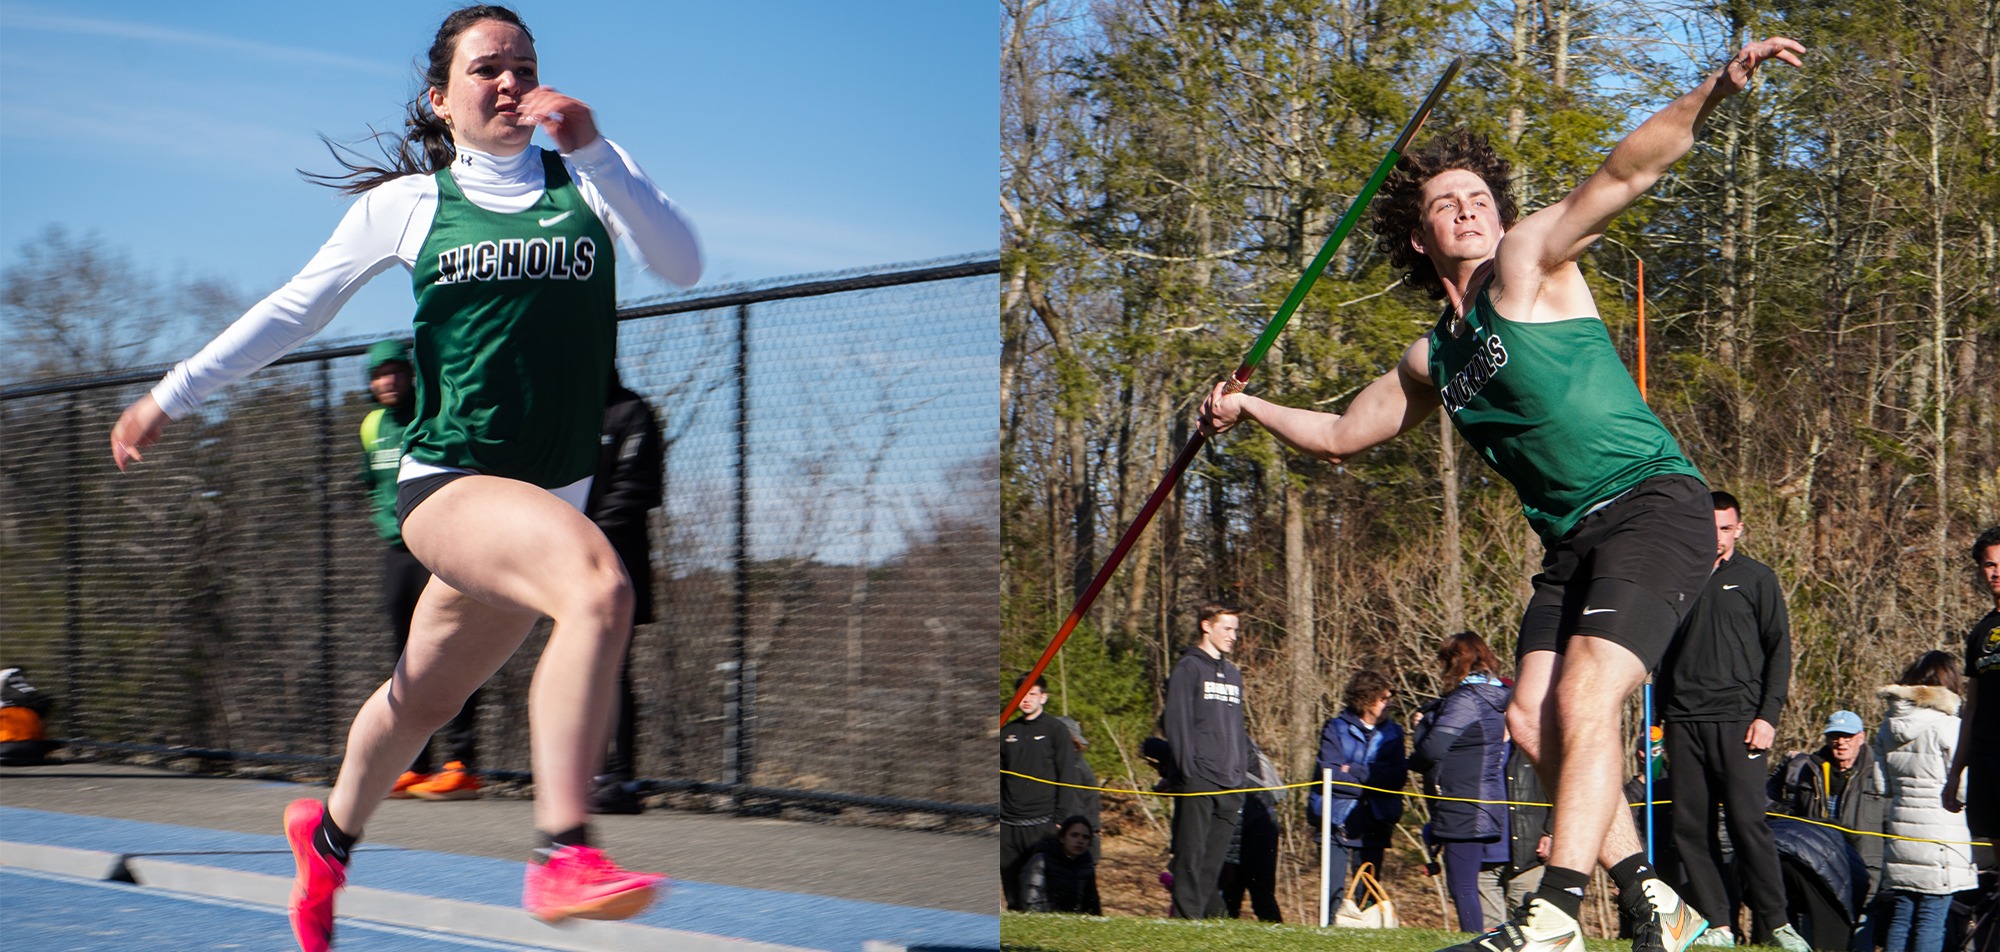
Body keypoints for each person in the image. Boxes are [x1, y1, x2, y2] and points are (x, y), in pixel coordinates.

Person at [106, 7, 702, 949]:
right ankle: (562, 853)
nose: (510, 82)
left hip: (549, 500)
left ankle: (328, 838)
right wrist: (169, 396)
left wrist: (597, 155)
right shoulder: (412, 204)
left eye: (525, 66)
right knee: (598, 590)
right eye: (486, 69)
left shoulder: (587, 180)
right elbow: (293, 308)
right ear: (442, 98)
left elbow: (682, 262)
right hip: (450, 484)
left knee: (422, 699)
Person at [1200, 36, 1806, 952]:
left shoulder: (1530, 263)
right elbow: (1335, 438)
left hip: (1650, 502)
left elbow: (1623, 173)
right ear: (1420, 235)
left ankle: (1557, 915)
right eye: (1447, 204)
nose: (1470, 210)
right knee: (1530, 717)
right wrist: (1245, 405)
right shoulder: (1430, 358)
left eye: (1479, 196)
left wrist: (1712, 92)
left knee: (1587, 698)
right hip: (1570, 539)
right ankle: (1660, 904)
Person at [1657, 491, 1805, 951]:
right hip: (1683, 721)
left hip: (1741, 721)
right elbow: (1660, 653)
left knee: (1747, 823)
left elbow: (1779, 649)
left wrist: (1769, 716)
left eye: (1725, 527)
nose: (1717, 536)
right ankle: (1718, 924)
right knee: (1688, 828)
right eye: (1710, 526)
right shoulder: (1677, 578)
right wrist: (1659, 724)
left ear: (1739, 529)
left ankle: (1777, 923)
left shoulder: (1758, 578)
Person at [359, 338, 483, 802]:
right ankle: (416, 765)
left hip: (440, 548)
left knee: (455, 650)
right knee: (406, 659)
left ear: (410, 374)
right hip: (396, 553)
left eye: (394, 371)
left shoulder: (431, 411)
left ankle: (461, 764)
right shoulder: (371, 426)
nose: (387, 381)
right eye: (378, 374)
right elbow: (371, 483)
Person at [584, 369, 664, 816]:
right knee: (579, 666)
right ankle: (583, 773)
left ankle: (620, 777)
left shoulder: (632, 411)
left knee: (614, 668)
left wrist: (588, 535)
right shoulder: (567, 415)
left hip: (619, 562)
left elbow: (639, 487)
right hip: (566, 564)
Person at [1875, 651, 1978, 952]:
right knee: (1932, 918)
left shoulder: (1888, 726)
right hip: (1942, 837)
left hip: (1901, 834)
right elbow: (1963, 788)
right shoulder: (1949, 726)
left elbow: (1883, 786)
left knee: (1902, 915)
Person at [1410, 632, 1513, 934]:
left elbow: (1432, 749)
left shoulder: (1467, 699)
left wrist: (1415, 745)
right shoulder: (1490, 697)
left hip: (1464, 806)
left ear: (1455, 662)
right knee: (1470, 885)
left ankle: (1473, 943)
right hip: (1481, 803)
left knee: (1463, 886)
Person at [1770, 709, 1888, 948]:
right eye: (1835, 736)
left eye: (1847, 736)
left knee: (1860, 943)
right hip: (1818, 875)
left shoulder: (1879, 772)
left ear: (1861, 737)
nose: (1841, 742)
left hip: (1866, 874)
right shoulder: (1808, 769)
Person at [1163, 600, 1249, 919]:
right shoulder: (1188, 668)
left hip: (1230, 782)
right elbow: (1176, 722)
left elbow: (1238, 728)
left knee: (1213, 861)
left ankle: (1198, 920)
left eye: (1235, 630)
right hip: (1198, 778)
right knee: (1191, 856)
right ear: (1206, 626)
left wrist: (1239, 773)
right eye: (1227, 628)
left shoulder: (1233, 674)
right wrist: (1188, 771)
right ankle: (1186, 919)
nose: (1233, 636)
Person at [1308, 668, 1407, 911]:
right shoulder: (1335, 728)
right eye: (1383, 698)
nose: (1388, 703)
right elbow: (1330, 774)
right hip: (1336, 818)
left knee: (1369, 892)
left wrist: (1355, 770)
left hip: (1377, 818)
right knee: (1332, 893)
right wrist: (1373, 779)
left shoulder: (1394, 733)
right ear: (1366, 698)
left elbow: (1397, 777)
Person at [1000, 672, 1088, 911]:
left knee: (1037, 888)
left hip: (1042, 823)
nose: (1026, 699)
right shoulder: (1007, 731)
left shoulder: (1055, 730)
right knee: (1012, 890)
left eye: (1032, 694)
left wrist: (1061, 819)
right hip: (1008, 824)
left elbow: (1067, 775)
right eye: (1021, 694)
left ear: (1043, 697)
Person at [1943, 528, 1999, 885]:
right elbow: (1971, 710)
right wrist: (1954, 774)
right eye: (1989, 565)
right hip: (1989, 762)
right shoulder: (1980, 633)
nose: (1996, 573)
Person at [1221, 745, 1284, 922]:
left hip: (1256, 826)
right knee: (1230, 899)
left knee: (1261, 899)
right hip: (1244, 825)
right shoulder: (1235, 740)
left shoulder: (1233, 743)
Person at [1018, 815, 1103, 915]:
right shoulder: (1041, 860)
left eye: (1085, 837)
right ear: (1062, 838)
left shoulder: (1086, 866)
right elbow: (1031, 899)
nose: (1080, 841)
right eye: (1074, 835)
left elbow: (1092, 903)